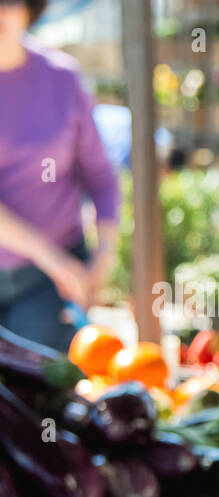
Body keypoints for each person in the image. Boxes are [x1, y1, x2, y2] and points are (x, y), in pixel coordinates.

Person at [0, 0, 120, 352]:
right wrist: (48, 256)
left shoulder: (62, 78)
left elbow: (99, 173)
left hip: (50, 284)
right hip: (53, 263)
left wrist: (106, 252)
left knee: (42, 389)